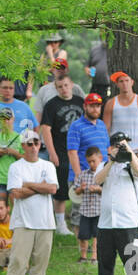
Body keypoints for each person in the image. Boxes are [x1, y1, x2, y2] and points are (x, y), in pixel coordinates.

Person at [3, 130, 57, 275]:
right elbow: (16, 193)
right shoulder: (16, 167)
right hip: (23, 221)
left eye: (36, 143)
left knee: (40, 261)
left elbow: (52, 189)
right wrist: (40, 187)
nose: (34, 147)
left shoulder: (47, 166)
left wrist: (28, 184)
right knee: (18, 260)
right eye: (30, 144)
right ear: (23, 146)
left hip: (45, 221)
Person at [93, 133, 138, 275]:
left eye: (122, 144)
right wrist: (112, 160)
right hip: (106, 223)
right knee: (105, 262)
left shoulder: (131, 164)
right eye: (116, 145)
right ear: (110, 148)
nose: (119, 147)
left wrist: (127, 150)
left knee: (132, 261)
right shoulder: (105, 165)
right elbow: (97, 180)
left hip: (128, 222)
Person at [38, 77, 84, 236]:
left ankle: (81, 221)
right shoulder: (52, 105)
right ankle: (60, 223)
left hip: (80, 150)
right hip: (61, 151)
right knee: (61, 189)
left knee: (82, 185)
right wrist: (51, 152)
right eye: (60, 87)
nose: (64, 89)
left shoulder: (80, 101)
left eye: (66, 85)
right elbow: (45, 129)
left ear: (72, 85)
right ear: (56, 88)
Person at [102, 71, 138, 158]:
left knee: (136, 171)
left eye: (127, 80)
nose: (124, 84)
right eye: (121, 81)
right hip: (116, 151)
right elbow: (105, 128)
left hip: (135, 151)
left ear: (132, 82)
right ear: (117, 84)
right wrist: (108, 148)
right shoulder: (111, 103)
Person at [72, 146, 104, 263]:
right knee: (83, 235)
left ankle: (94, 257)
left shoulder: (103, 174)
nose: (91, 164)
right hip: (85, 210)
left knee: (96, 235)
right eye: (89, 161)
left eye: (93, 161)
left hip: (98, 210)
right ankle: (83, 256)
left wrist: (97, 189)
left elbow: (107, 191)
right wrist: (81, 188)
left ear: (100, 158)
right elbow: (75, 191)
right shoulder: (83, 174)